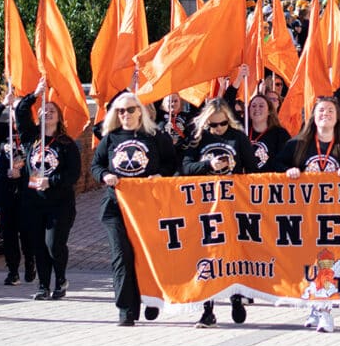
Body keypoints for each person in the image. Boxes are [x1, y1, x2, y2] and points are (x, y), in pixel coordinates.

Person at [278, 96, 340, 333]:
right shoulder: (296, 145)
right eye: (320, 110)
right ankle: (314, 307)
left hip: (336, 217)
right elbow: (272, 172)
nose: (325, 114)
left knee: (327, 259)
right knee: (308, 260)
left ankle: (326, 312)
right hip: (305, 216)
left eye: (330, 110)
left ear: (337, 117)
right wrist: (290, 171)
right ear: (312, 116)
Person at [91, 92, 176, 326]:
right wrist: (105, 175)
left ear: (140, 111)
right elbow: (96, 165)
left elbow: (172, 162)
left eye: (130, 109)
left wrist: (161, 175)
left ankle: (152, 299)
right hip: (116, 207)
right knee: (121, 256)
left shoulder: (155, 136)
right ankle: (126, 310)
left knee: (148, 256)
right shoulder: (110, 138)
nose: (125, 114)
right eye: (120, 111)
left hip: (148, 207)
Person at [181, 99, 259, 327]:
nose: (218, 129)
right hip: (204, 205)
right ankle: (208, 309)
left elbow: (252, 169)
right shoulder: (198, 138)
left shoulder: (238, 138)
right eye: (213, 126)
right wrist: (207, 166)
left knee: (232, 253)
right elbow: (184, 167)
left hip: (232, 204)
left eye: (223, 124)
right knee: (206, 255)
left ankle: (236, 296)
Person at [13, 79, 82, 300]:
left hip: (59, 203)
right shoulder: (31, 138)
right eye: (44, 110)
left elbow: (73, 174)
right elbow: (21, 112)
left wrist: (51, 181)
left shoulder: (66, 144)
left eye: (52, 110)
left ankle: (60, 280)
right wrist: (35, 94)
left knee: (54, 244)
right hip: (33, 202)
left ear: (59, 117)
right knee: (38, 245)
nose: (48, 112)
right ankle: (43, 286)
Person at [0, 96, 36, 285]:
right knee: (8, 231)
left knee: (27, 231)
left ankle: (30, 263)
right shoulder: (3, 131)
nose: (15, 114)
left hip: (25, 188)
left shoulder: (32, 133)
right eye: (13, 110)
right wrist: (3, 104)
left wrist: (21, 173)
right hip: (5, 188)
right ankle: (13, 270)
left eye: (18, 109)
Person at [245, 93, 290, 172]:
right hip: (243, 183)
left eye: (261, 106)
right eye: (253, 106)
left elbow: (286, 160)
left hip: (268, 182)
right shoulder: (242, 131)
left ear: (269, 111)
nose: (257, 109)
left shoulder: (280, 134)